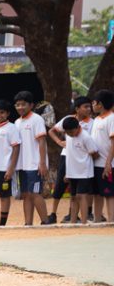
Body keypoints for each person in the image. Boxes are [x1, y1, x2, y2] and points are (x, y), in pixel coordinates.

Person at [49, 112, 100, 224]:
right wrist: (68, 173)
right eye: (67, 132)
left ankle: (84, 221)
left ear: (78, 127)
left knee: (81, 196)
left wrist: (86, 161)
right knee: (73, 197)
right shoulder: (69, 135)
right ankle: (73, 222)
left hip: (84, 172)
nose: (70, 134)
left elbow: (95, 153)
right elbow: (70, 156)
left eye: (71, 132)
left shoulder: (86, 137)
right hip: (72, 172)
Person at [13, 91, 50, 225]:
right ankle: (28, 223)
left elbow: (41, 141)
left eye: (23, 104)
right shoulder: (17, 122)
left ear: (31, 105)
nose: (20, 107)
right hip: (22, 165)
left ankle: (45, 221)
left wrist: (42, 162)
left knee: (35, 194)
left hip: (34, 164)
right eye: (17, 105)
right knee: (26, 194)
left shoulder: (36, 119)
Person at [90, 89, 114, 223]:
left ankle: (111, 221)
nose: (92, 105)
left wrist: (108, 163)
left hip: (106, 163)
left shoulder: (111, 118)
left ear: (100, 104)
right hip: (95, 163)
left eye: (94, 103)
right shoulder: (97, 119)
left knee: (109, 194)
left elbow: (113, 142)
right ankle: (97, 219)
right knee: (97, 193)